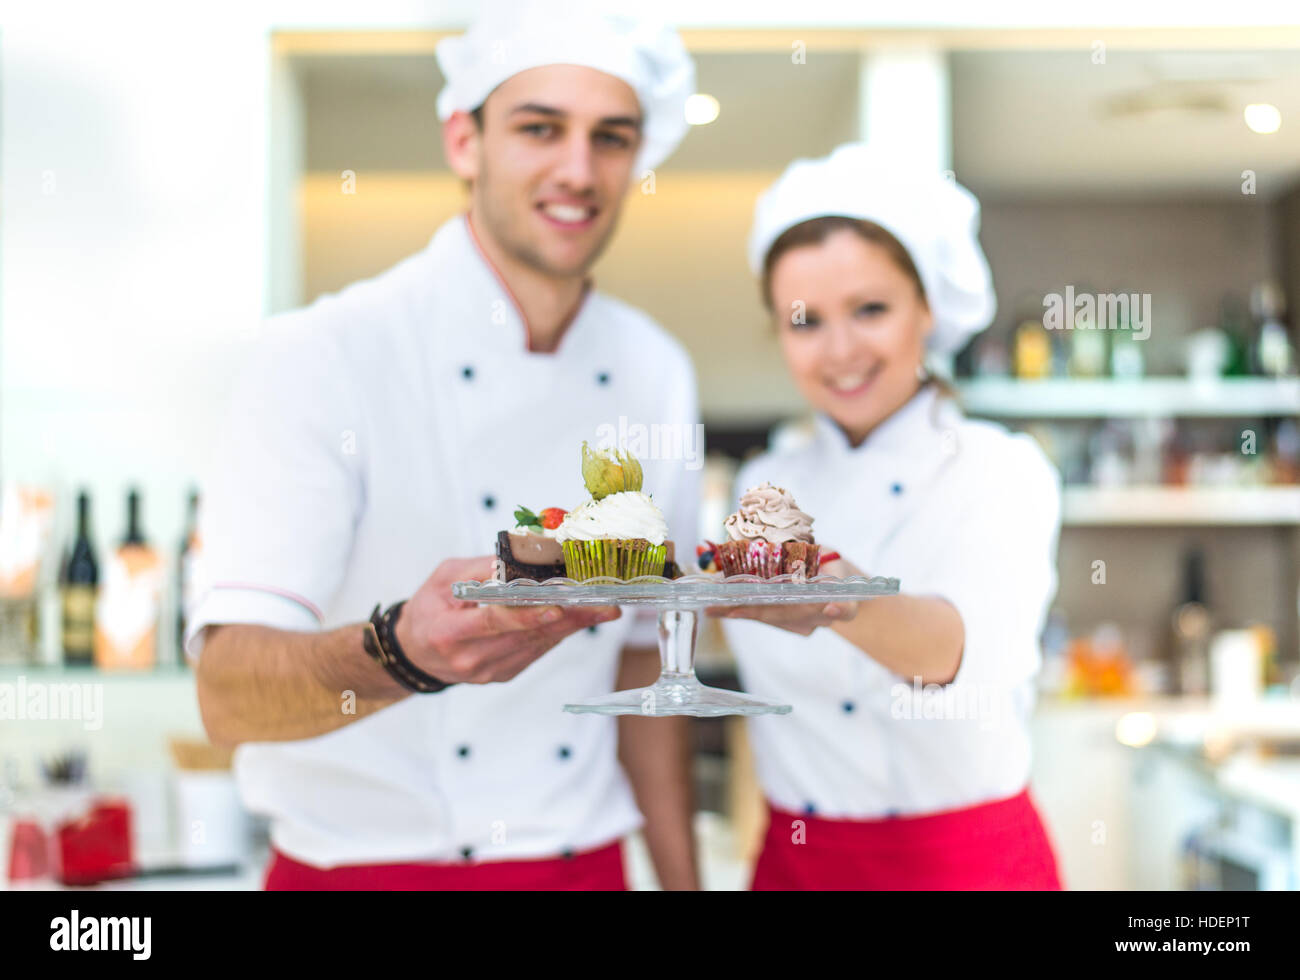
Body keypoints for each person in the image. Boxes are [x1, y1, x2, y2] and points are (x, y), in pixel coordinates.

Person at [187, 3, 701, 891]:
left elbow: (643, 665)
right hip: (362, 871)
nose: (578, 170)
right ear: (464, 140)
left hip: (585, 868)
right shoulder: (323, 354)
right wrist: (400, 650)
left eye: (611, 138)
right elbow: (228, 694)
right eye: (541, 128)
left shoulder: (654, 369)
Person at [712, 143, 1063, 890]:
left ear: (927, 309)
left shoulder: (999, 468)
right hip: (798, 865)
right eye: (805, 321)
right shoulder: (765, 482)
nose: (840, 351)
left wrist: (836, 591)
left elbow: (958, 658)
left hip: (965, 863)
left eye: (870, 309)